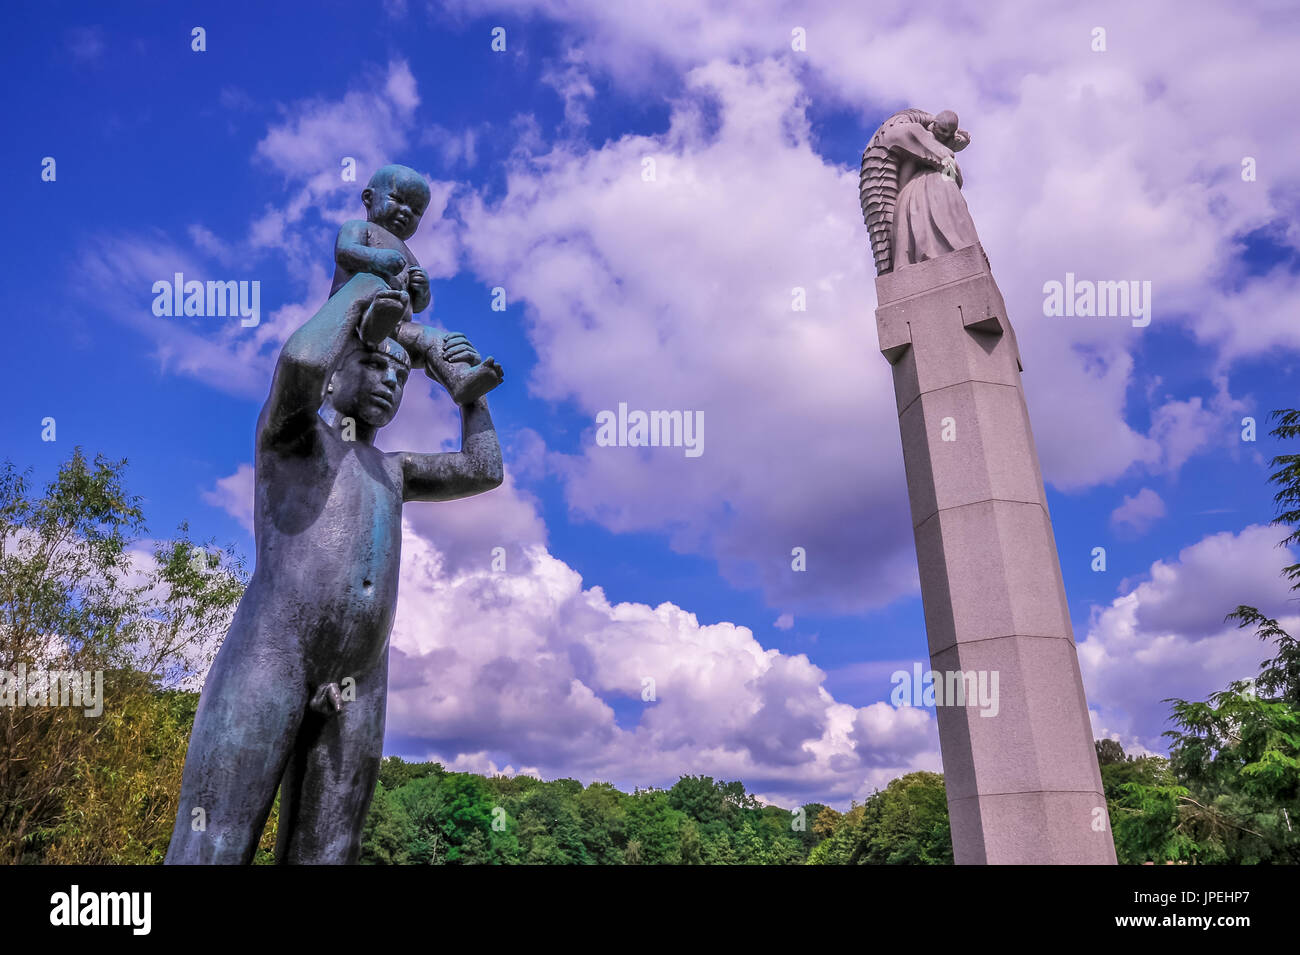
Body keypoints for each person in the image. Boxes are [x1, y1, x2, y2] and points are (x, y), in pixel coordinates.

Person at [165, 276, 504, 864]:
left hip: (361, 675)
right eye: (376, 366)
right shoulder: (293, 435)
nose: (391, 382)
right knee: (215, 838)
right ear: (340, 367)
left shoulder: (393, 471)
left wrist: (464, 388)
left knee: (329, 852)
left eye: (400, 375)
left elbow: (484, 468)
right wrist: (366, 284)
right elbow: (299, 360)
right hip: (275, 652)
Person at [333, 163, 501, 406]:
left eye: (415, 210)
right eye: (397, 199)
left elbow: (419, 305)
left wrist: (422, 290)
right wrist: (378, 259)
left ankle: (460, 379)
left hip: (398, 326)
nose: (405, 211)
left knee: (438, 339)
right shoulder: (359, 228)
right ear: (369, 198)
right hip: (353, 314)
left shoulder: (410, 256)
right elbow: (344, 252)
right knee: (379, 297)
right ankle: (375, 323)